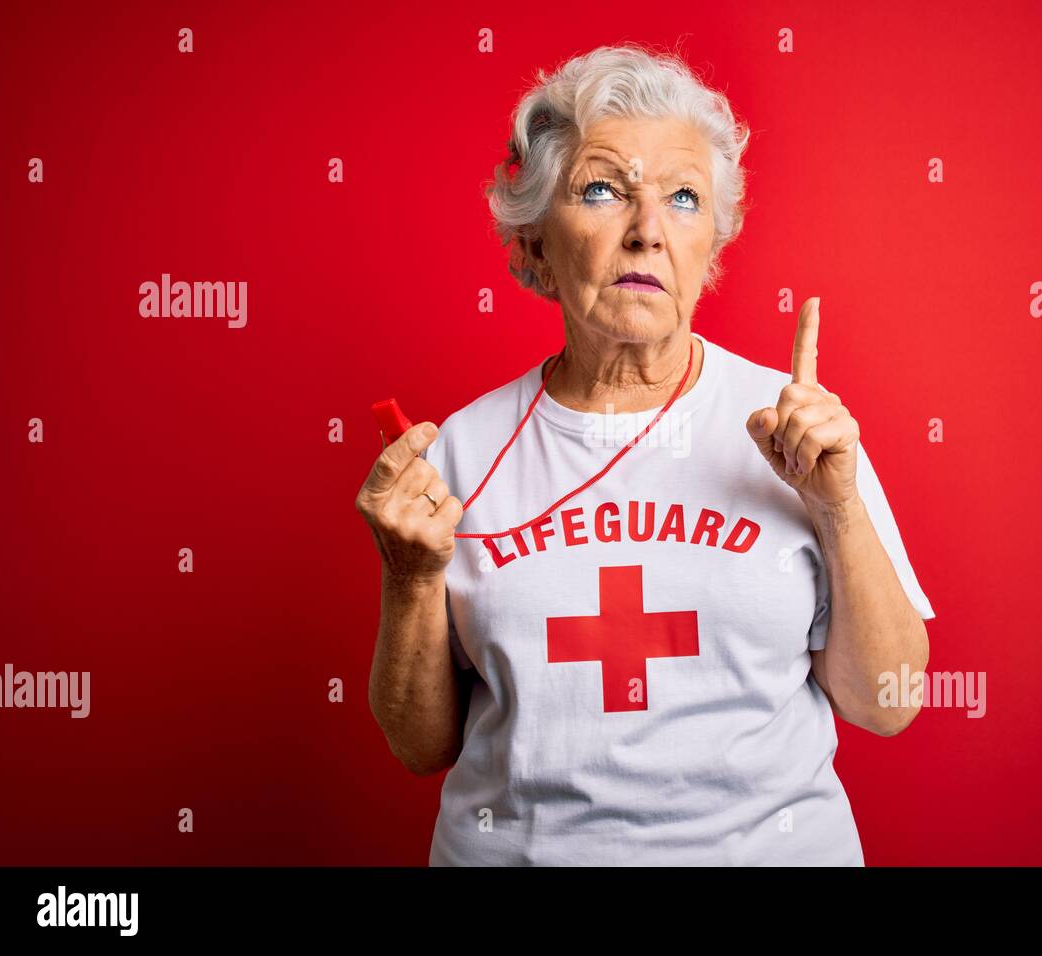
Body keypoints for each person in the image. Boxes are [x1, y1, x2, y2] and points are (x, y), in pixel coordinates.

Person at [354, 43, 934, 866]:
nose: (648, 232)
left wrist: (835, 505)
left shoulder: (796, 430)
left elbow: (888, 704)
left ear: (712, 249)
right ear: (534, 246)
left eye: (684, 199)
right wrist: (411, 578)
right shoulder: (462, 453)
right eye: (602, 191)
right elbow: (420, 747)